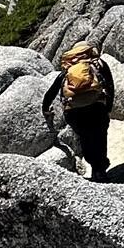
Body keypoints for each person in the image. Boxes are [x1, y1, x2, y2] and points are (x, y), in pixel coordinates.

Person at [42, 41, 114, 181]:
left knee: (85, 138)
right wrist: (107, 108)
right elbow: (110, 86)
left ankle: (95, 166)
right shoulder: (98, 64)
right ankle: (100, 170)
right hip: (97, 109)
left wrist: (45, 109)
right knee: (99, 137)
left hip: (74, 113)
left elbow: (51, 92)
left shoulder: (68, 70)